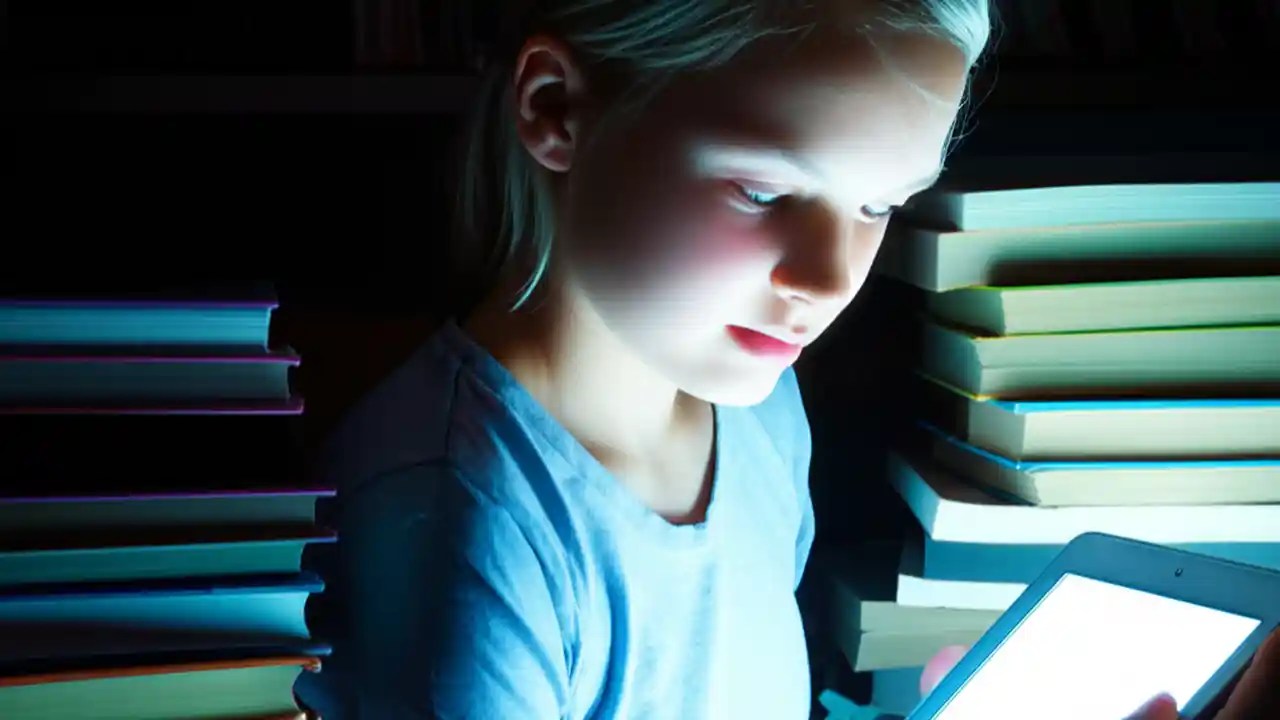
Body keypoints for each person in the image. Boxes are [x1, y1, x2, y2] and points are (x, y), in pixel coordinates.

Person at [292, 1, 1280, 718]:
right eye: (764, 192)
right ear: (555, 110)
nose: (825, 279)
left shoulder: (758, 411)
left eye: (875, 205)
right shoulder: (455, 533)